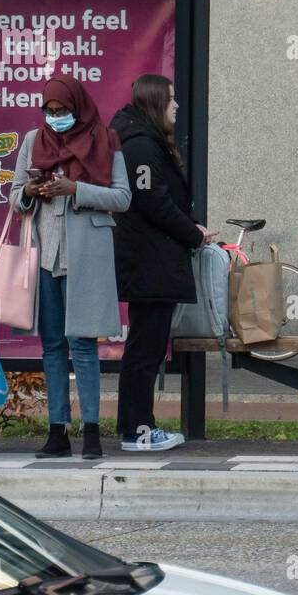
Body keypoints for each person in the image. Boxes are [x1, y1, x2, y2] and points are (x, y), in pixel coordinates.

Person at [10, 75, 131, 460]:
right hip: (45, 253)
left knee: (82, 343)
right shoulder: (33, 141)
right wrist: (31, 191)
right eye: (49, 110)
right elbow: (14, 197)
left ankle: (91, 430)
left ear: (77, 107)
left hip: (86, 253)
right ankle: (57, 431)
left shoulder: (105, 139)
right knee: (52, 345)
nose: (55, 117)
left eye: (62, 111)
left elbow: (123, 197)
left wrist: (75, 189)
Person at [111, 74, 215, 452]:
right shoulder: (140, 145)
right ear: (155, 103)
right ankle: (137, 430)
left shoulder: (142, 140)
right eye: (170, 99)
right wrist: (193, 233)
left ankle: (136, 427)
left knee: (146, 348)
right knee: (145, 350)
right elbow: (152, 200)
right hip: (149, 263)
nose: (176, 106)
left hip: (150, 260)